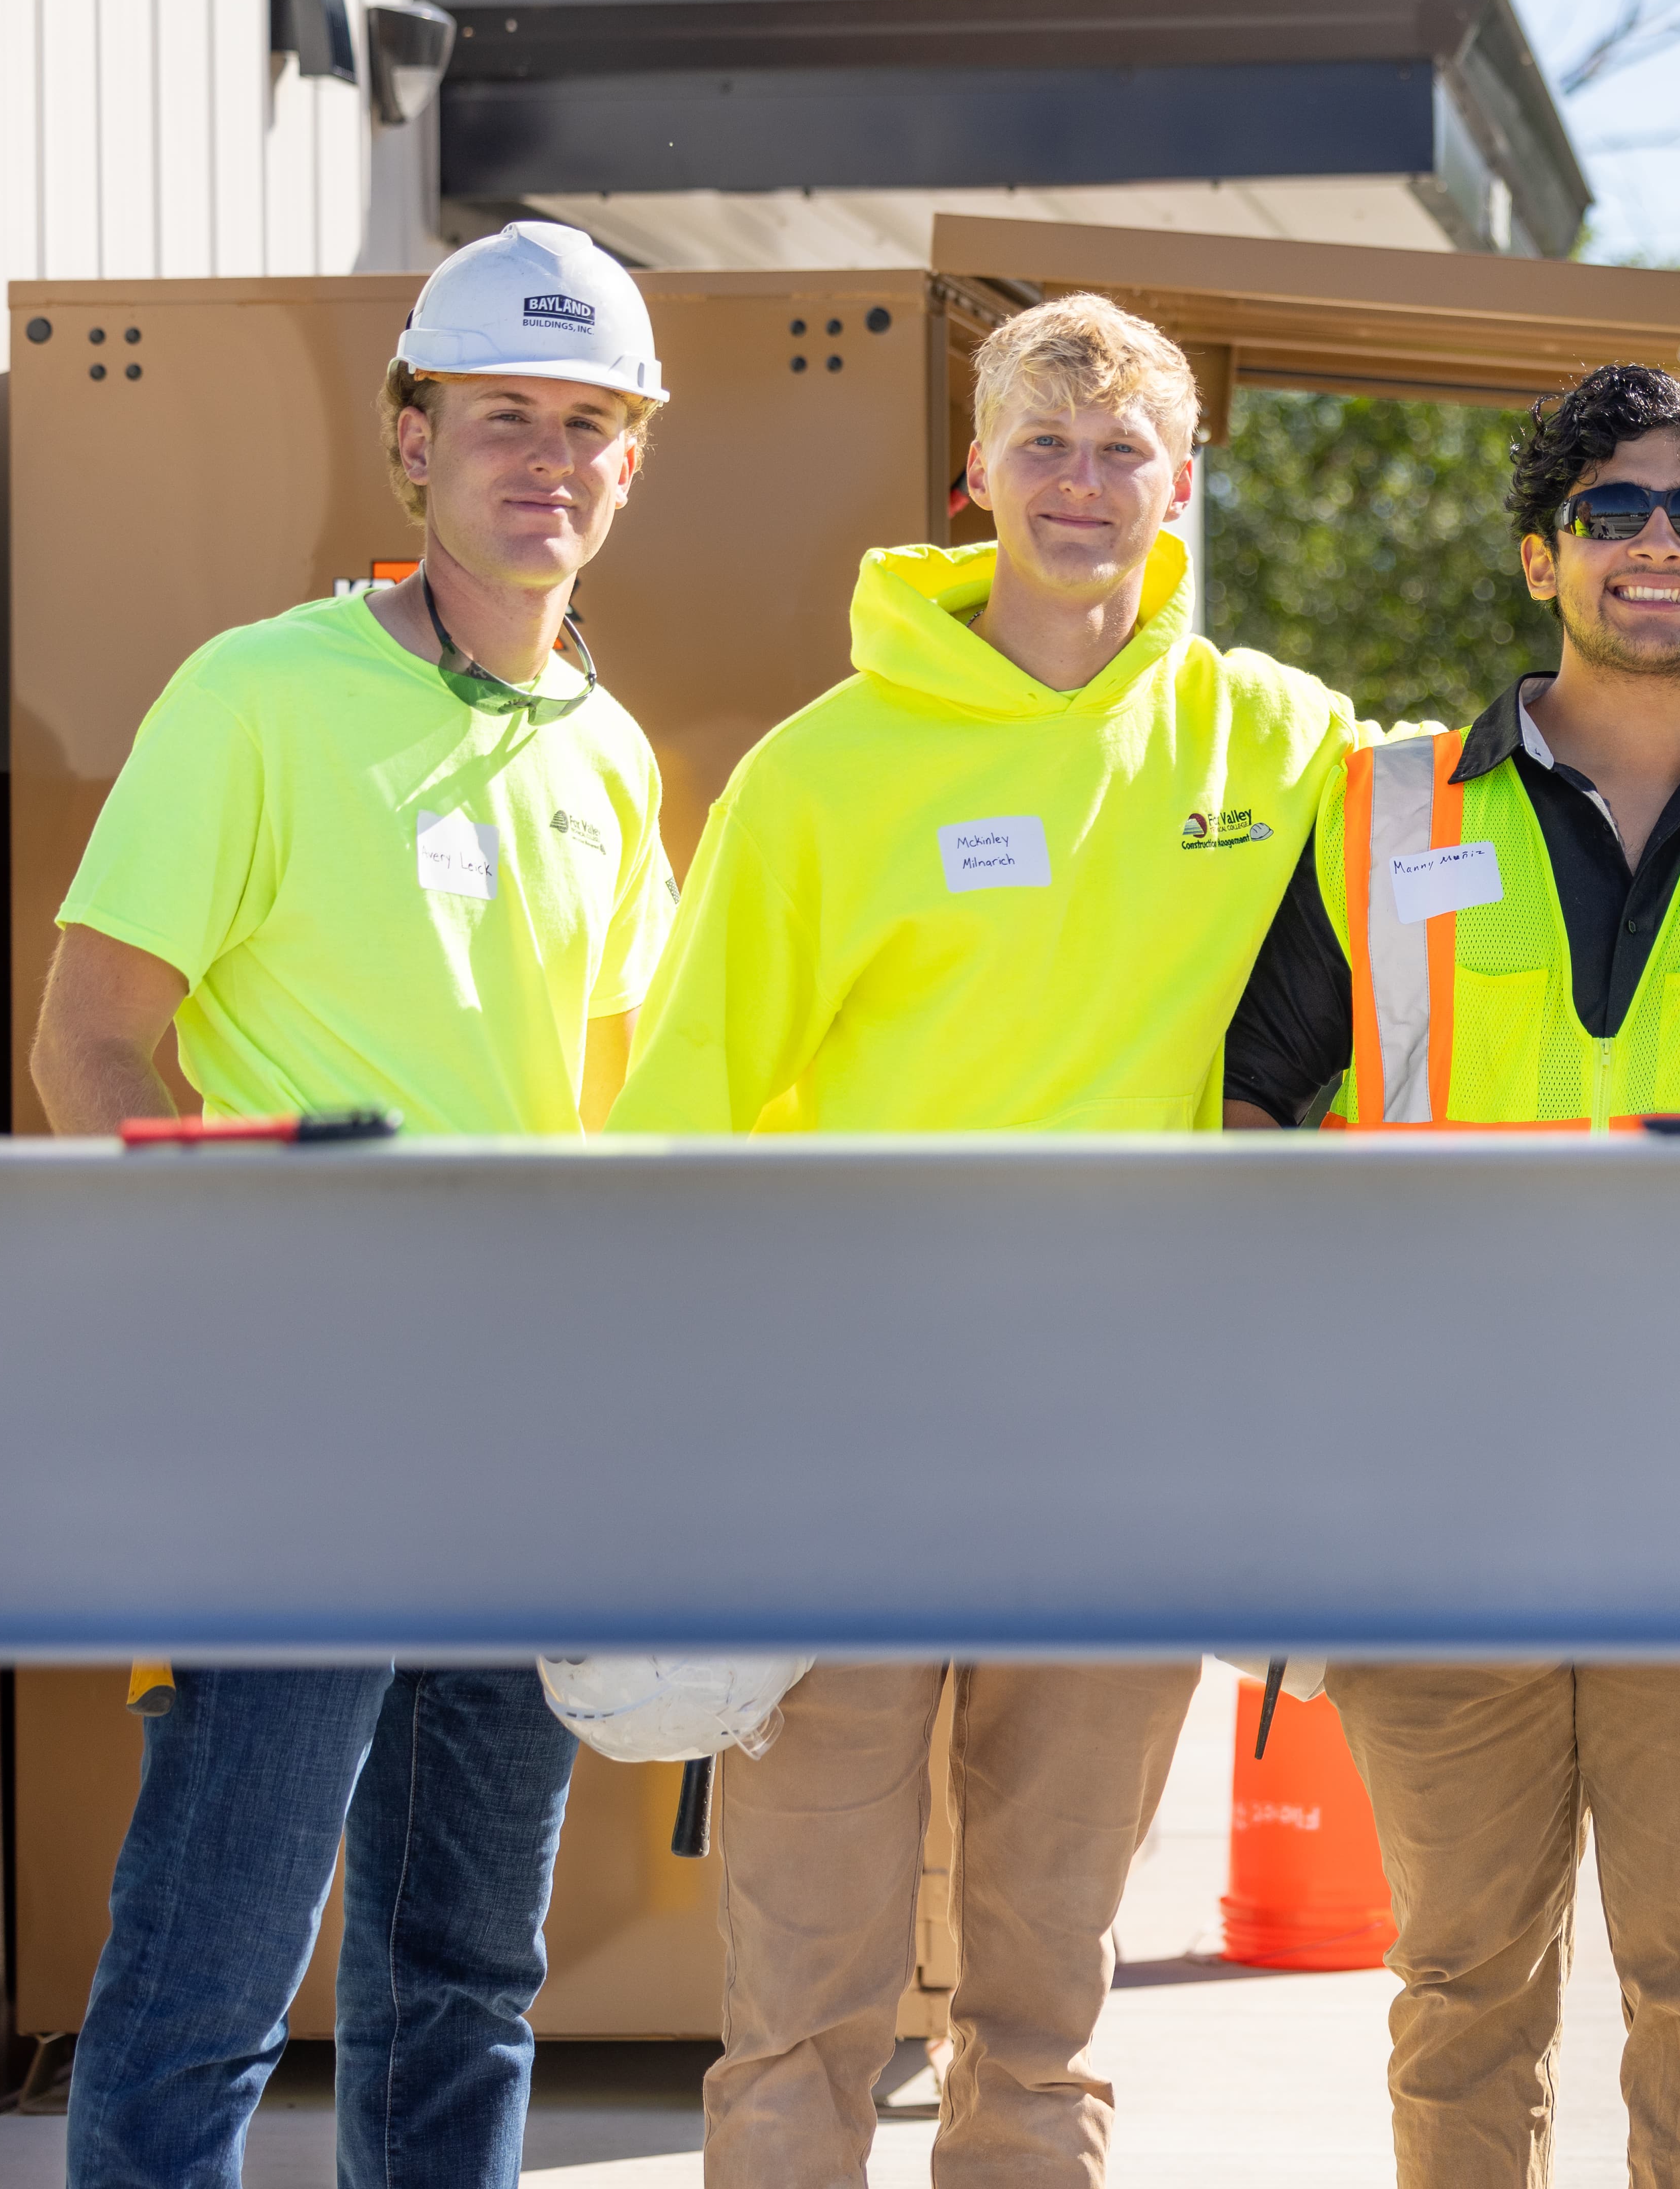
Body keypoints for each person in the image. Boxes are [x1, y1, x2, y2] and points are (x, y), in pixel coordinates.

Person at [609, 292, 1361, 2188]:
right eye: (1046, 447)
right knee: (803, 2004)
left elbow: (1410, 980)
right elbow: (684, 1113)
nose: (1084, 486)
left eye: (1122, 454)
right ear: (977, 475)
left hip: (1126, 1462)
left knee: (1047, 2012)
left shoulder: (1285, 743)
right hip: (848, 1455)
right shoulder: (821, 773)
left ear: (1181, 482)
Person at [33, 221, 681, 2189]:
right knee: (212, 1973)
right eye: (502, 416)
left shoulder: (614, 756)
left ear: (634, 461)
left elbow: (619, 1119)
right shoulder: (260, 694)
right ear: (413, 443)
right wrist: (236, 1321)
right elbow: (93, 1045)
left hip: (522, 1442)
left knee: (467, 1973)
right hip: (295, 1433)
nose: (546, 458)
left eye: (589, 423)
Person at [1217, 364, 1680, 2189]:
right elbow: (1255, 1105)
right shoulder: (1380, 807)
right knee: (1468, 1980)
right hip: (1438, 1510)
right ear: (1539, 555)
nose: (1663, 546)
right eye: (1618, 512)